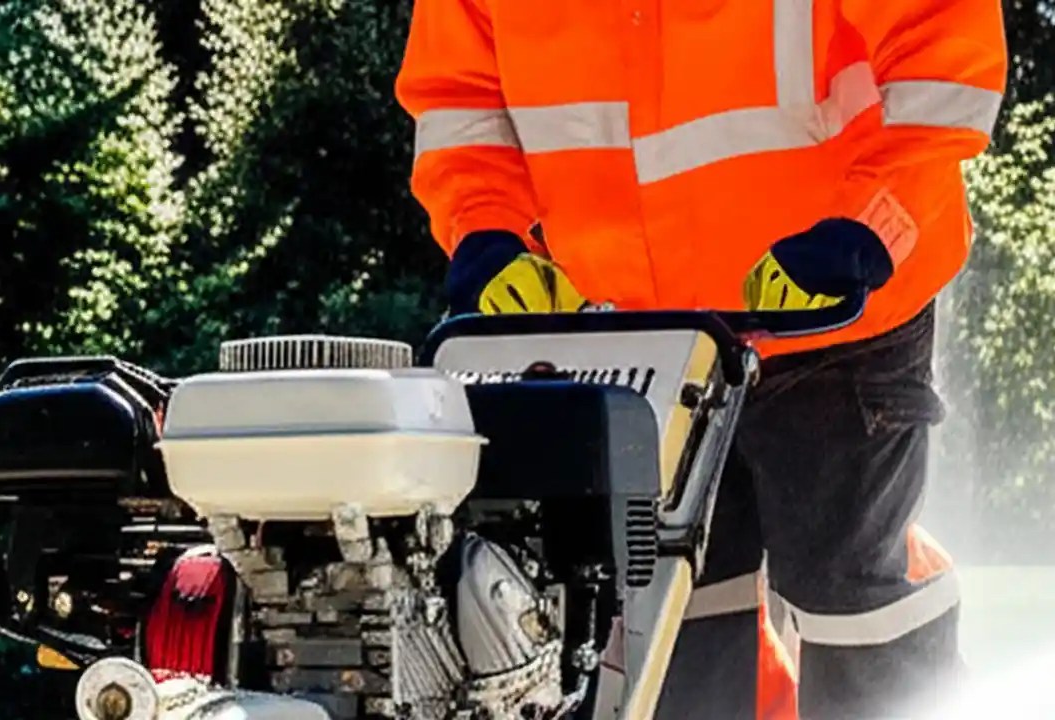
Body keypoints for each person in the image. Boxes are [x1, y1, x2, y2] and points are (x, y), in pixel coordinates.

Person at [395, 1, 1007, 717]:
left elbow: (940, 51)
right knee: (673, 614)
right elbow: (460, 101)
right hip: (645, 338)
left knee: (849, 593)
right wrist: (484, 228)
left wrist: (870, 223)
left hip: (835, 312)